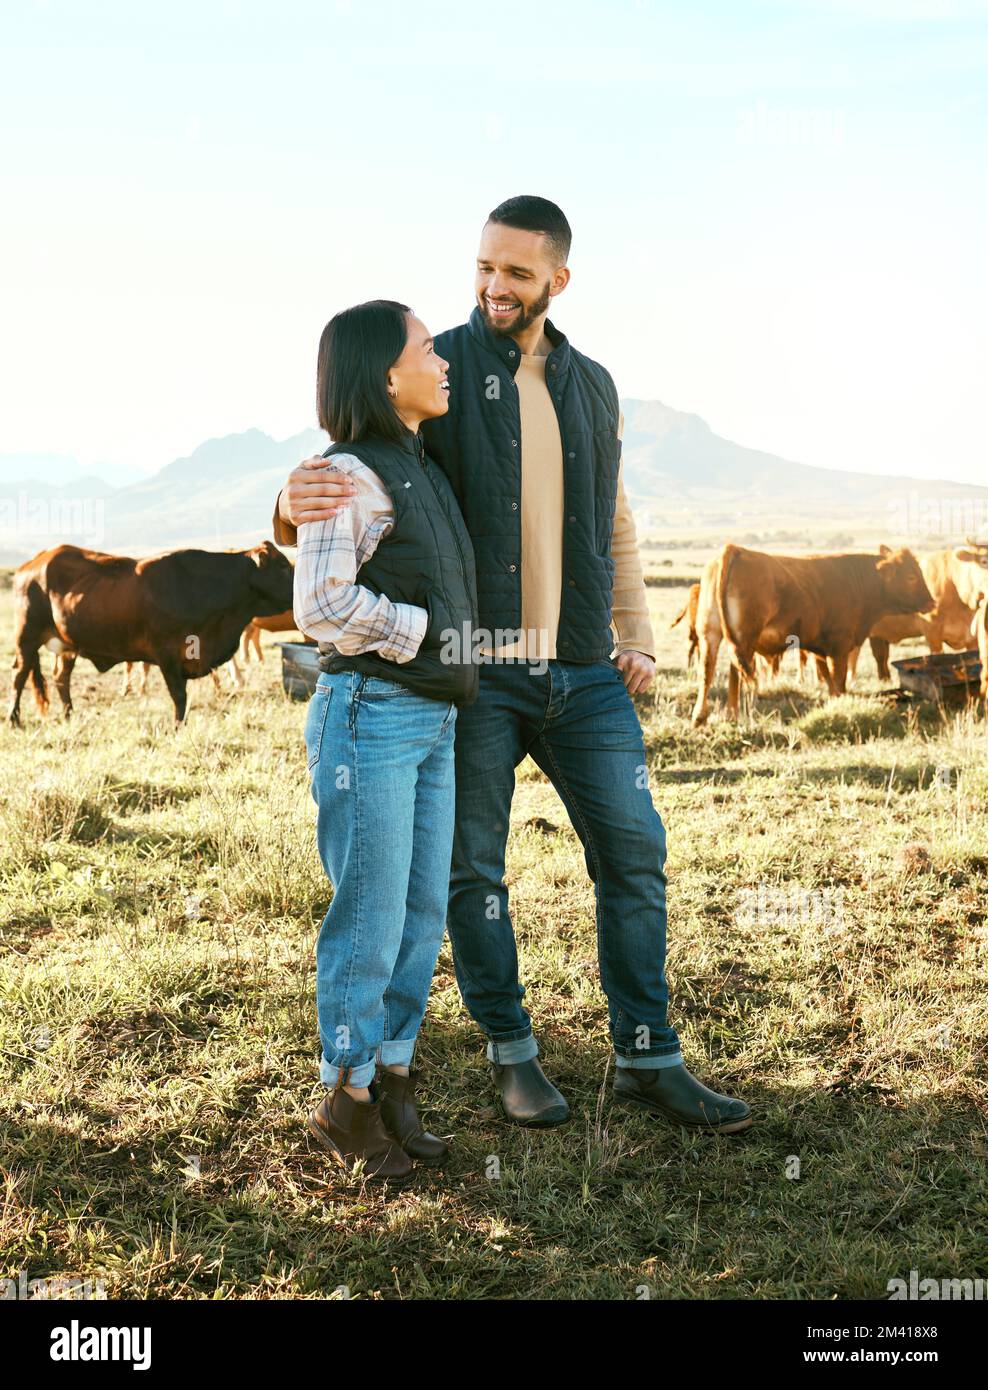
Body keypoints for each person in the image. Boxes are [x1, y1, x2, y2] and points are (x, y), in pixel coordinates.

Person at [279, 198, 752, 1135]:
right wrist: (287, 504)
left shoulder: (595, 385)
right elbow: (359, 470)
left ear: (557, 282)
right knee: (474, 874)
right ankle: (512, 1054)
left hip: (583, 674)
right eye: (485, 268)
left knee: (636, 854)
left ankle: (649, 1054)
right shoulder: (438, 369)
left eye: (518, 275)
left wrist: (639, 631)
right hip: (477, 672)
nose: (496, 288)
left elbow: (612, 519)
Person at [295, 299, 479, 1179]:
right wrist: (421, 632)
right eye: (425, 347)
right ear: (383, 374)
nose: (441, 360)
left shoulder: (419, 463)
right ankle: (347, 1096)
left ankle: (393, 1074)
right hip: (370, 710)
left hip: (432, 717)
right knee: (366, 919)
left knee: (419, 913)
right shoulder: (349, 475)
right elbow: (320, 605)